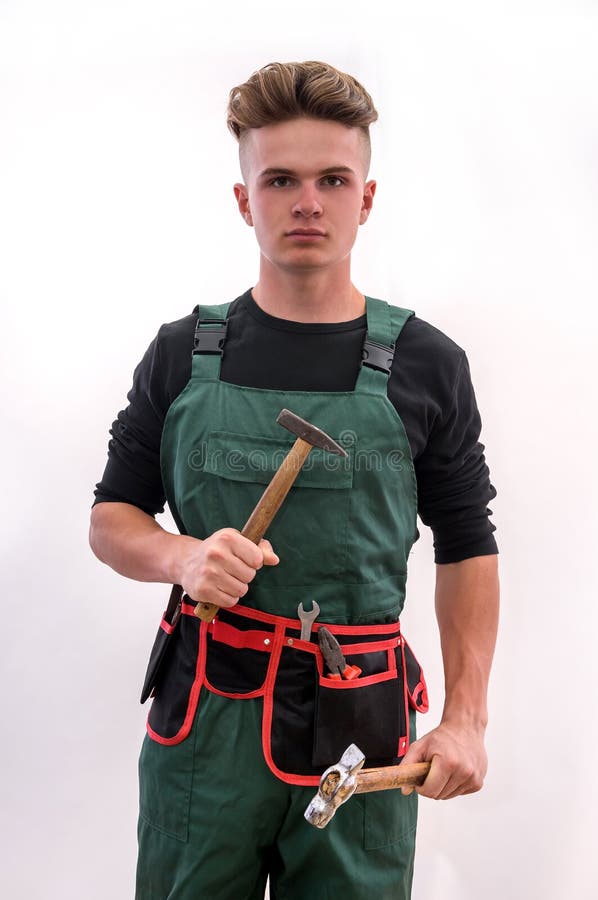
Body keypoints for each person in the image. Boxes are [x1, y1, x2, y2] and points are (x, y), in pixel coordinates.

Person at [90, 60, 499, 900]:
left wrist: (465, 718)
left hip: (362, 722)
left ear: (365, 197)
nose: (306, 201)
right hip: (204, 721)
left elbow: (468, 543)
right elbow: (112, 516)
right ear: (246, 199)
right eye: (279, 179)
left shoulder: (428, 363)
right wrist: (180, 559)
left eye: (331, 179)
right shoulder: (181, 352)